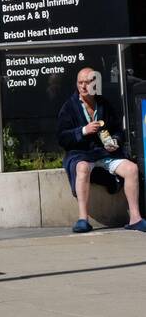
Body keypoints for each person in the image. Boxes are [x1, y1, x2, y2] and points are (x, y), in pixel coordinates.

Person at [57, 67, 146, 233]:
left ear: (95, 84)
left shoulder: (104, 104)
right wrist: (83, 131)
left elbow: (118, 130)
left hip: (105, 152)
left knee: (132, 168)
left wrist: (115, 141)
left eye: (87, 82)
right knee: (82, 167)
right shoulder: (68, 107)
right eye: (80, 82)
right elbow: (62, 137)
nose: (83, 86)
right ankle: (83, 219)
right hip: (82, 153)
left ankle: (135, 217)